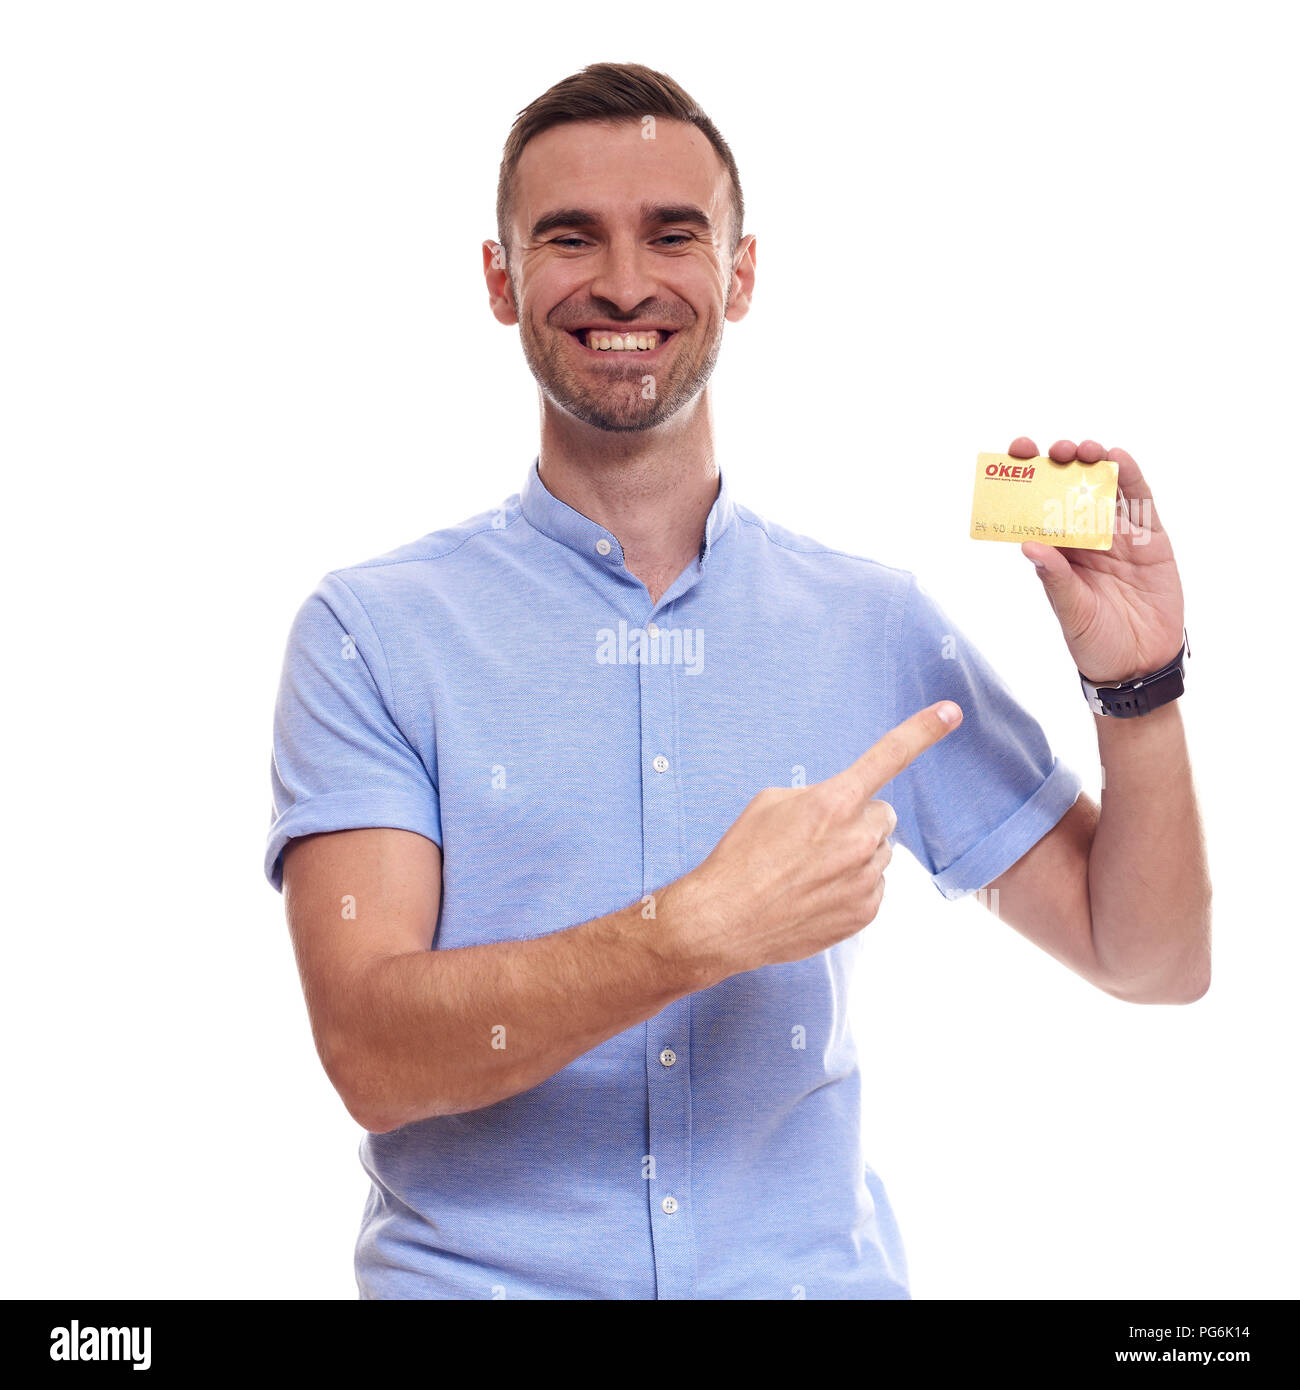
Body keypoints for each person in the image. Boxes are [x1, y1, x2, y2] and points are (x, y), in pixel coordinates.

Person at [264, 61, 1210, 1300]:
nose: (621, 282)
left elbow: (1149, 960)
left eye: (673, 233)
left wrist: (1139, 689)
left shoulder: (871, 625)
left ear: (740, 274)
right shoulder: (368, 634)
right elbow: (371, 1050)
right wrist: (696, 928)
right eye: (568, 237)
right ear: (500, 281)